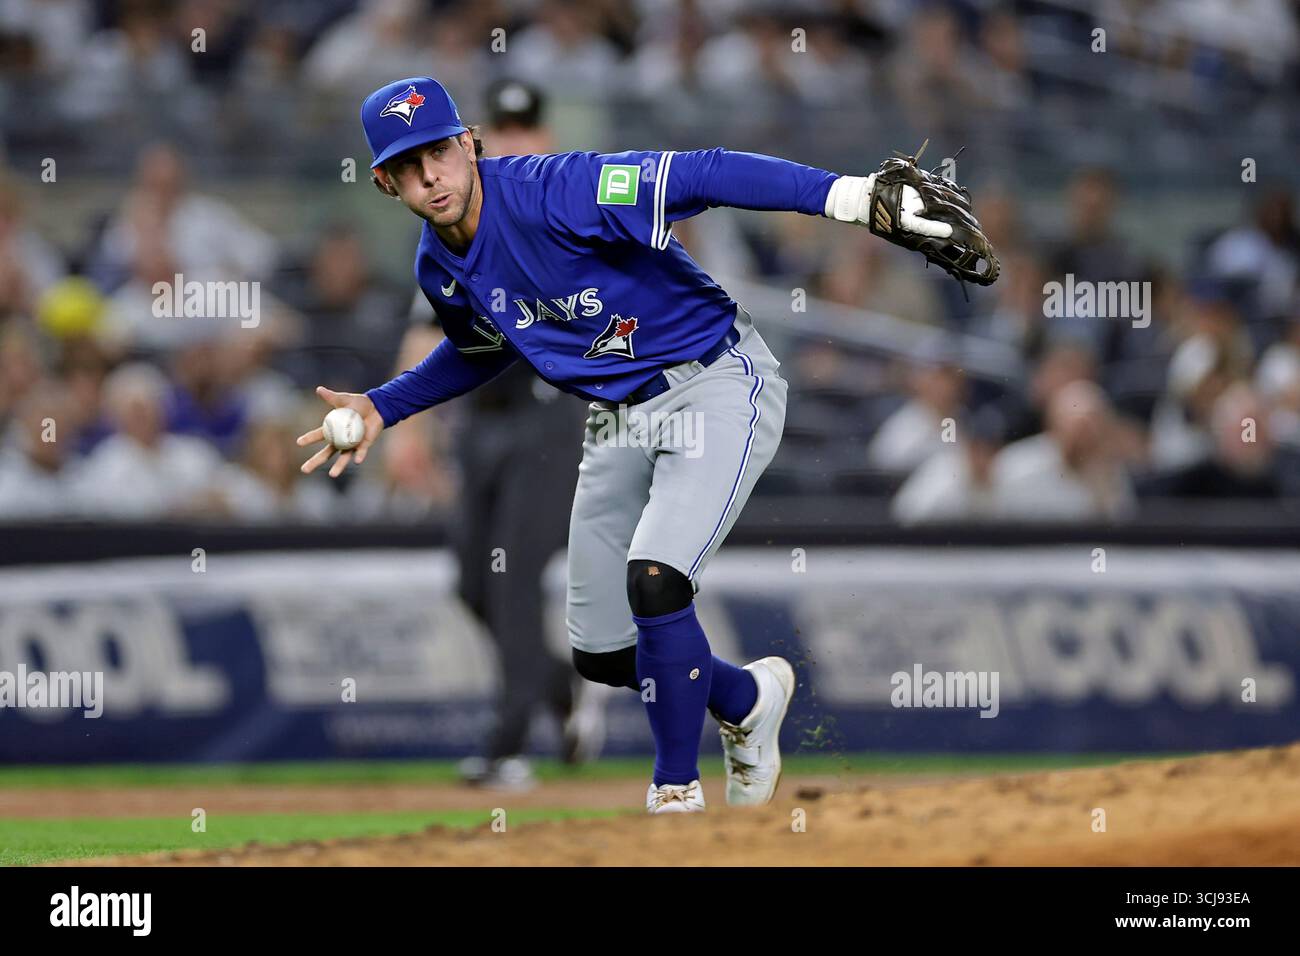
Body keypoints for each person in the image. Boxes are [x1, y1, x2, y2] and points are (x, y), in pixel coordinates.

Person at [296, 75, 996, 814]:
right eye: (408, 165)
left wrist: (847, 197)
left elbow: (704, 172)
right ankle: (747, 698)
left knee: (657, 580)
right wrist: (384, 405)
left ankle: (674, 793)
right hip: (618, 416)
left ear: (469, 144)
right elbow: (482, 348)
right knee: (602, 653)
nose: (430, 175)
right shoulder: (437, 264)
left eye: (438, 151)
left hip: (713, 380)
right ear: (385, 182)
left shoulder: (556, 189)